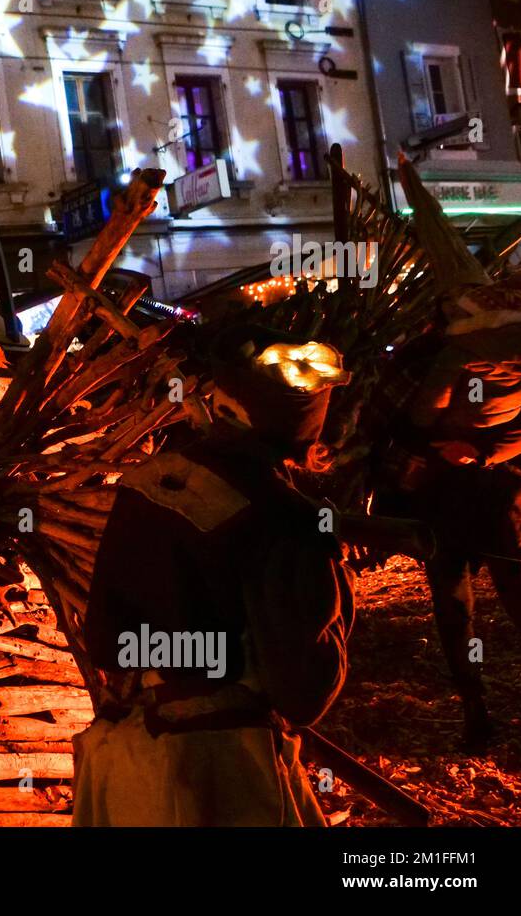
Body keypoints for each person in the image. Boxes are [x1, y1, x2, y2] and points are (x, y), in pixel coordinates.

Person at [72, 326, 355, 826]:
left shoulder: (148, 482)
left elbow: (108, 644)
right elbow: (303, 690)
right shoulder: (287, 522)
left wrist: (191, 655)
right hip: (223, 773)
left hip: (129, 762)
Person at [381, 273, 521, 749]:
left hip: (494, 493)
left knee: (510, 595)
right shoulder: (432, 361)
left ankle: (479, 706)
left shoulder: (503, 363)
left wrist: (475, 451)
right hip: (451, 497)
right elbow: (413, 418)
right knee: (457, 604)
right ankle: (475, 708)